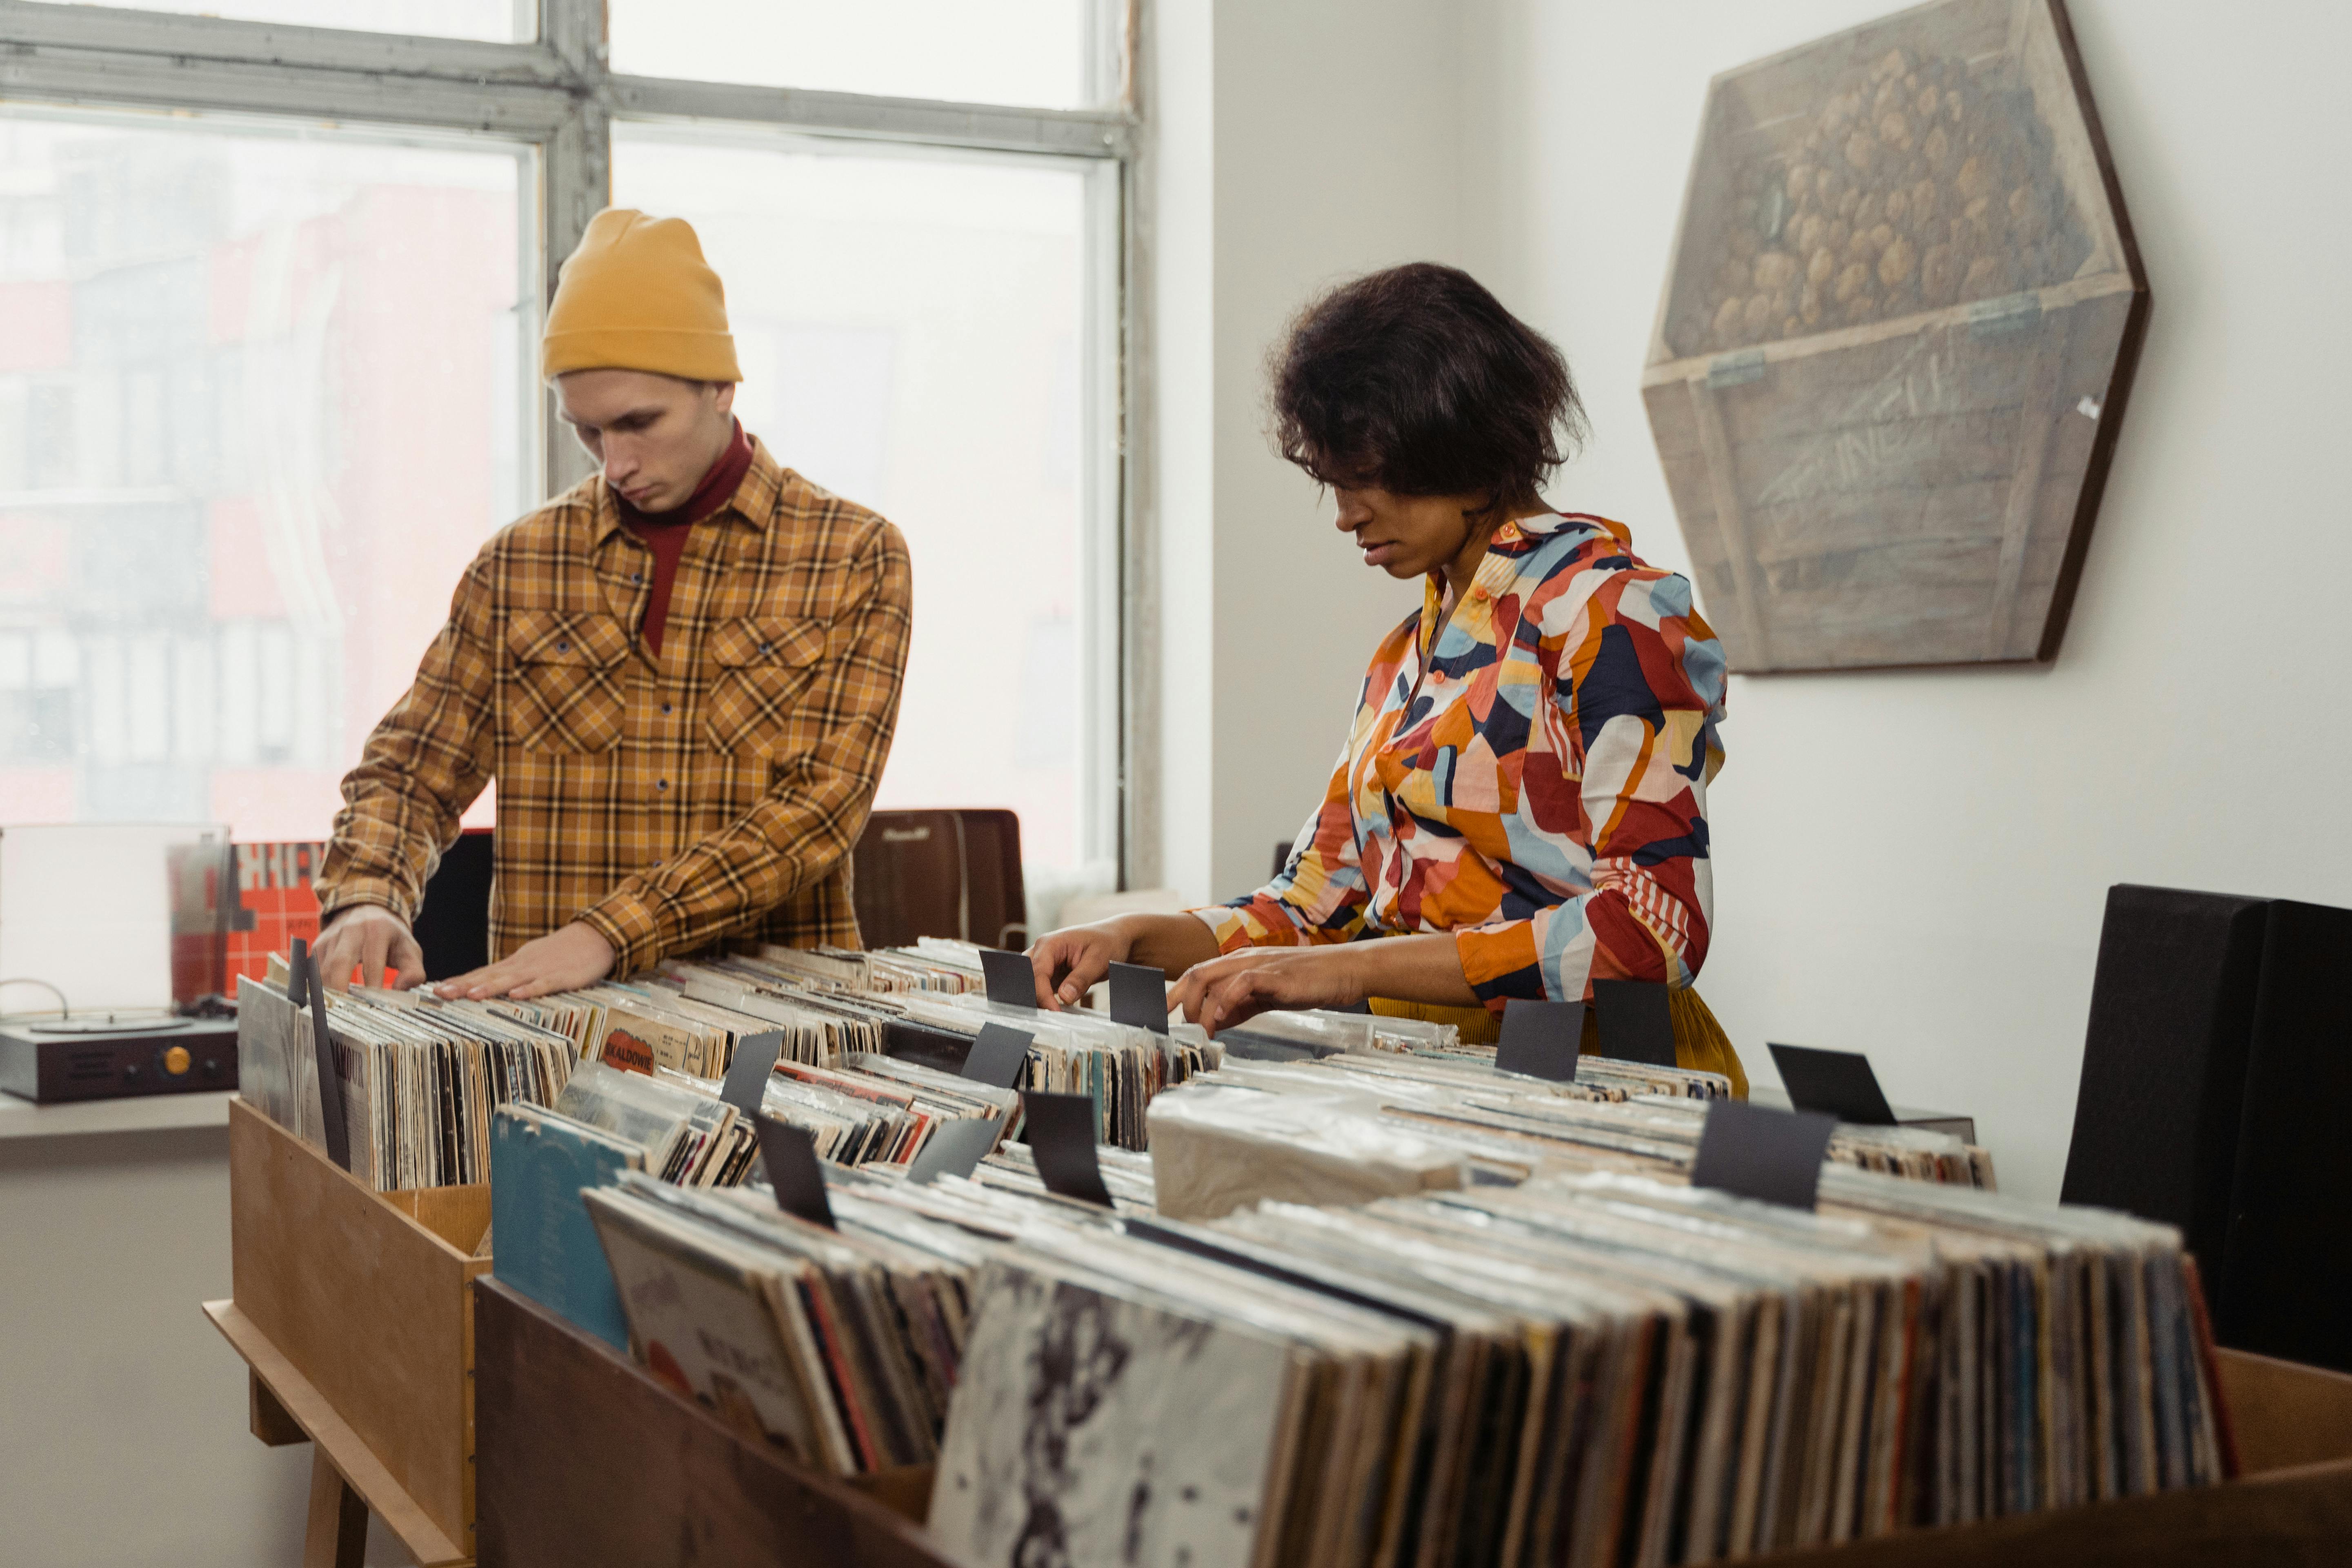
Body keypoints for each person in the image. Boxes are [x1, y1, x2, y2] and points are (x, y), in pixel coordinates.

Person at [1028, 262, 1743, 1091]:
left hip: (1593, 1075)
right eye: (1334, 480)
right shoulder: (1406, 653)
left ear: (1458, 438)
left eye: (1362, 473)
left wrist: (1354, 970)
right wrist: (1133, 938)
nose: (1344, 513)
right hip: (1430, 1071)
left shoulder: (1612, 613)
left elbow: (1652, 930)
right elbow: (1309, 908)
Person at [309, 209, 912, 999]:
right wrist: (368, 893)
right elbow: (412, 769)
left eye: (639, 422)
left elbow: (817, 813)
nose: (617, 461)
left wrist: (612, 932)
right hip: (553, 1038)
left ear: (721, 385)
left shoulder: (853, 555)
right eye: (587, 431)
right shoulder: (518, 565)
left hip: (773, 1038)